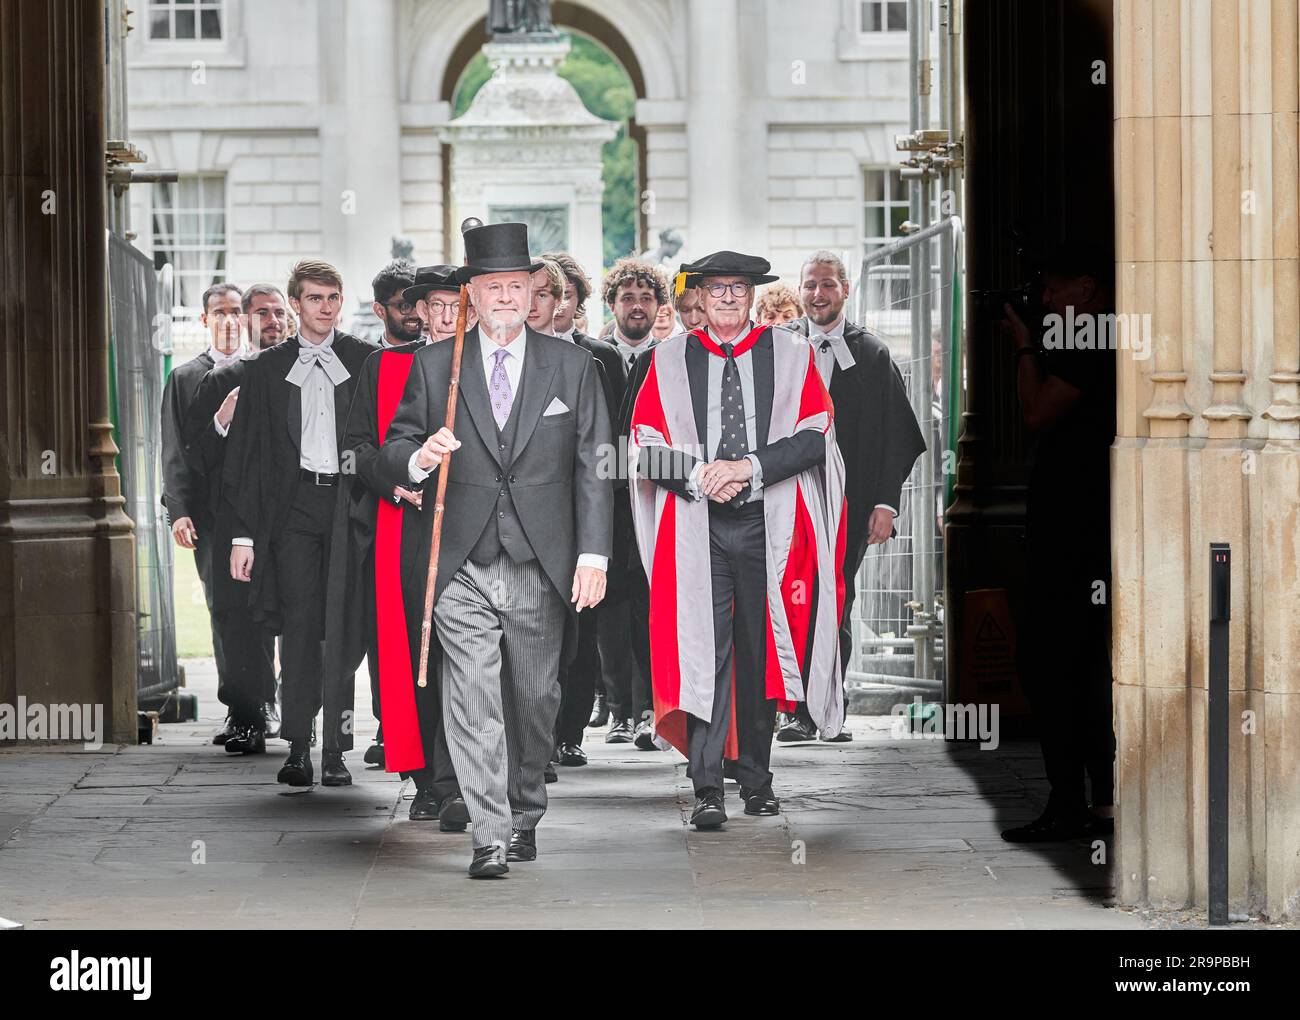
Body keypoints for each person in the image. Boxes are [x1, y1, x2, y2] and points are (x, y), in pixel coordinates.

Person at [377, 222, 613, 878]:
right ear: (473, 295)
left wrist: (593, 555)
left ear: (532, 290)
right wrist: (418, 459)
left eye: (518, 286)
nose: (507, 297)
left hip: (541, 561)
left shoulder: (573, 366)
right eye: (493, 287)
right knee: (473, 693)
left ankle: (525, 806)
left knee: (535, 695)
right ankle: (489, 832)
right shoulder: (433, 367)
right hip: (458, 561)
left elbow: (596, 465)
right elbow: (391, 446)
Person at [625, 250, 846, 830]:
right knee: (703, 649)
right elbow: (644, 443)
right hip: (696, 524)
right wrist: (701, 475)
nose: (727, 297)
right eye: (716, 288)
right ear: (698, 296)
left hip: (763, 521)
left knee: (758, 650)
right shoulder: (669, 360)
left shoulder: (792, 355)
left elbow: (814, 435)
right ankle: (706, 789)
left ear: (752, 295)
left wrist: (747, 467)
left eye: (738, 288)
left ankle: (757, 778)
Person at [222, 260, 379, 787]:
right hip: (290, 512)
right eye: (315, 298)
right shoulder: (266, 370)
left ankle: (336, 748)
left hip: (346, 507)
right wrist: (244, 535)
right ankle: (298, 746)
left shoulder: (363, 360)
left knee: (341, 631)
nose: (326, 307)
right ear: (296, 303)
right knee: (300, 626)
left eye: (333, 297)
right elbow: (245, 455)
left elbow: (376, 443)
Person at [325, 260, 468, 827]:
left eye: (453, 307)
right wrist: (396, 483)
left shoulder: (485, 367)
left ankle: (460, 777)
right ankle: (427, 778)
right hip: (400, 529)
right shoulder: (381, 368)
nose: (441, 316)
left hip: (472, 530)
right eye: (432, 306)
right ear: (418, 310)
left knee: (466, 657)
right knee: (412, 659)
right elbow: (355, 449)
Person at [779, 250, 926, 742]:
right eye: (809, 285)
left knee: (834, 598)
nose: (817, 295)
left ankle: (827, 706)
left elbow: (896, 435)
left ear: (845, 290)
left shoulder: (872, 354)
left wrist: (885, 503)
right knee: (793, 599)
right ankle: (795, 706)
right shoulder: (780, 348)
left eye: (827, 285)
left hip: (851, 502)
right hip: (790, 501)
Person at [999, 242, 1116, 843]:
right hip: (1085, 530)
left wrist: (1024, 344)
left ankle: (1075, 803)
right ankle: (1098, 805)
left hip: (1075, 538)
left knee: (1052, 668)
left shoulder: (1090, 341)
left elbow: (1038, 412)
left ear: (1087, 289)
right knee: (1082, 667)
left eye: (1053, 288)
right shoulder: (1100, 338)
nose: (1044, 299)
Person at [539, 251, 631, 750]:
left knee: (581, 625)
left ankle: (569, 732)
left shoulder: (599, 358)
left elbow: (611, 441)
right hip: (534, 514)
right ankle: (537, 735)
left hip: (587, 510)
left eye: (560, 296)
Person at [162, 283, 253, 746]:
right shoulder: (184, 378)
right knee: (223, 609)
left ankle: (268, 701)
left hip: (258, 512)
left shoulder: (262, 368)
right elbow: (175, 448)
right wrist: (178, 510)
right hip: (211, 514)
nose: (229, 320)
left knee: (263, 607)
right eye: (219, 313)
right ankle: (240, 706)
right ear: (204, 320)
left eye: (236, 311)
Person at [605, 259, 672, 750]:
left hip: (652, 500)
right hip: (604, 502)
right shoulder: (594, 357)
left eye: (646, 298)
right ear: (613, 305)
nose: (637, 306)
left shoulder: (671, 359)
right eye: (628, 298)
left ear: (659, 307)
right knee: (608, 609)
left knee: (650, 607)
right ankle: (618, 712)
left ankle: (650, 708)